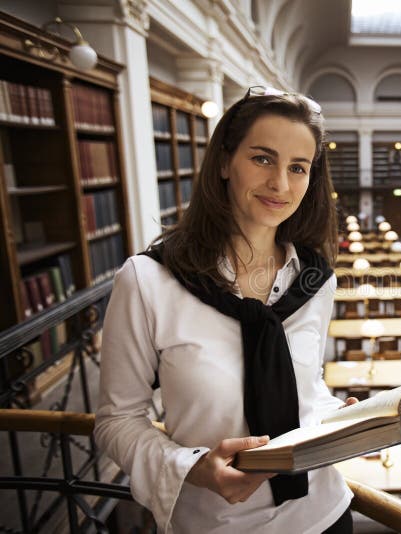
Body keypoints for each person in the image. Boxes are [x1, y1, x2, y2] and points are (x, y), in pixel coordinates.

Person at [95, 86, 357, 533]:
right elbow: (116, 421)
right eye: (262, 159)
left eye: (299, 167)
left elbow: (307, 388)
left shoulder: (316, 279)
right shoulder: (148, 281)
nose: (281, 184)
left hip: (323, 513)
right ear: (223, 162)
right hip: (216, 523)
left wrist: (345, 422)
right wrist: (192, 467)